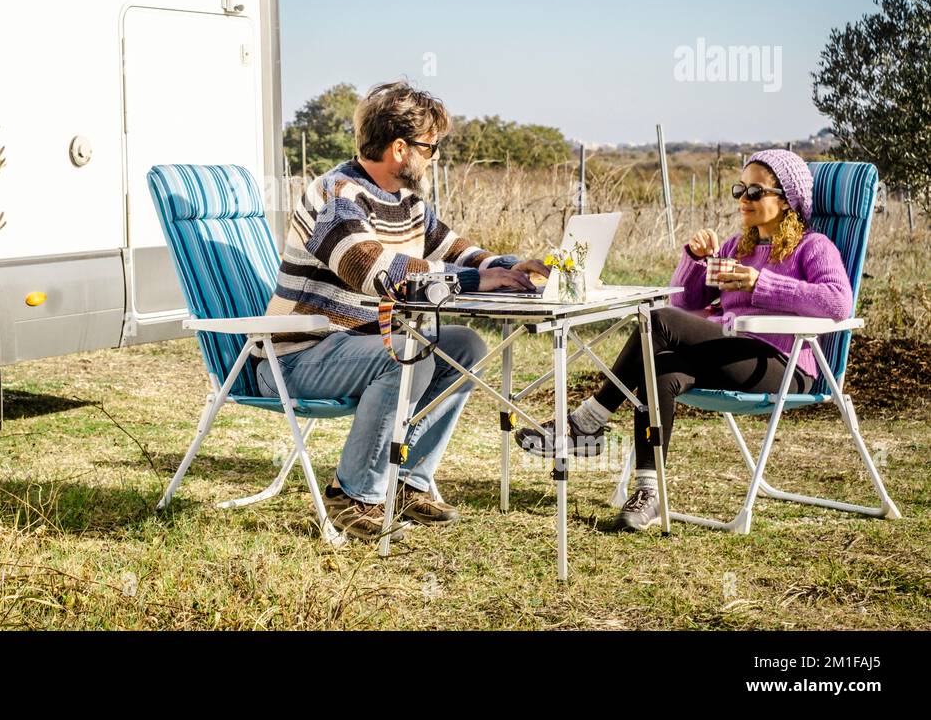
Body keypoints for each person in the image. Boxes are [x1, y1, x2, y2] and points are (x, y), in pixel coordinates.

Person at [253, 81, 545, 540]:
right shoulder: (336, 195)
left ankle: (406, 481)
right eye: (431, 148)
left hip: (356, 347)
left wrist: (507, 267)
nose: (434, 158)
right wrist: (471, 281)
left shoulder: (408, 202)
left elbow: (453, 248)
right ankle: (352, 496)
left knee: (465, 346)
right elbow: (372, 269)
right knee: (408, 353)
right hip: (293, 357)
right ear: (399, 148)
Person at [516, 149, 853, 531]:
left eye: (755, 192)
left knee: (655, 321)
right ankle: (649, 492)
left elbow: (838, 302)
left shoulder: (813, 247)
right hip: (730, 355)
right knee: (660, 368)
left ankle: (585, 422)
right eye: (739, 189)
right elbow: (684, 301)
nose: (743, 199)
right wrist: (694, 259)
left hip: (782, 364)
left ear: (787, 200)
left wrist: (760, 283)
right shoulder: (734, 248)